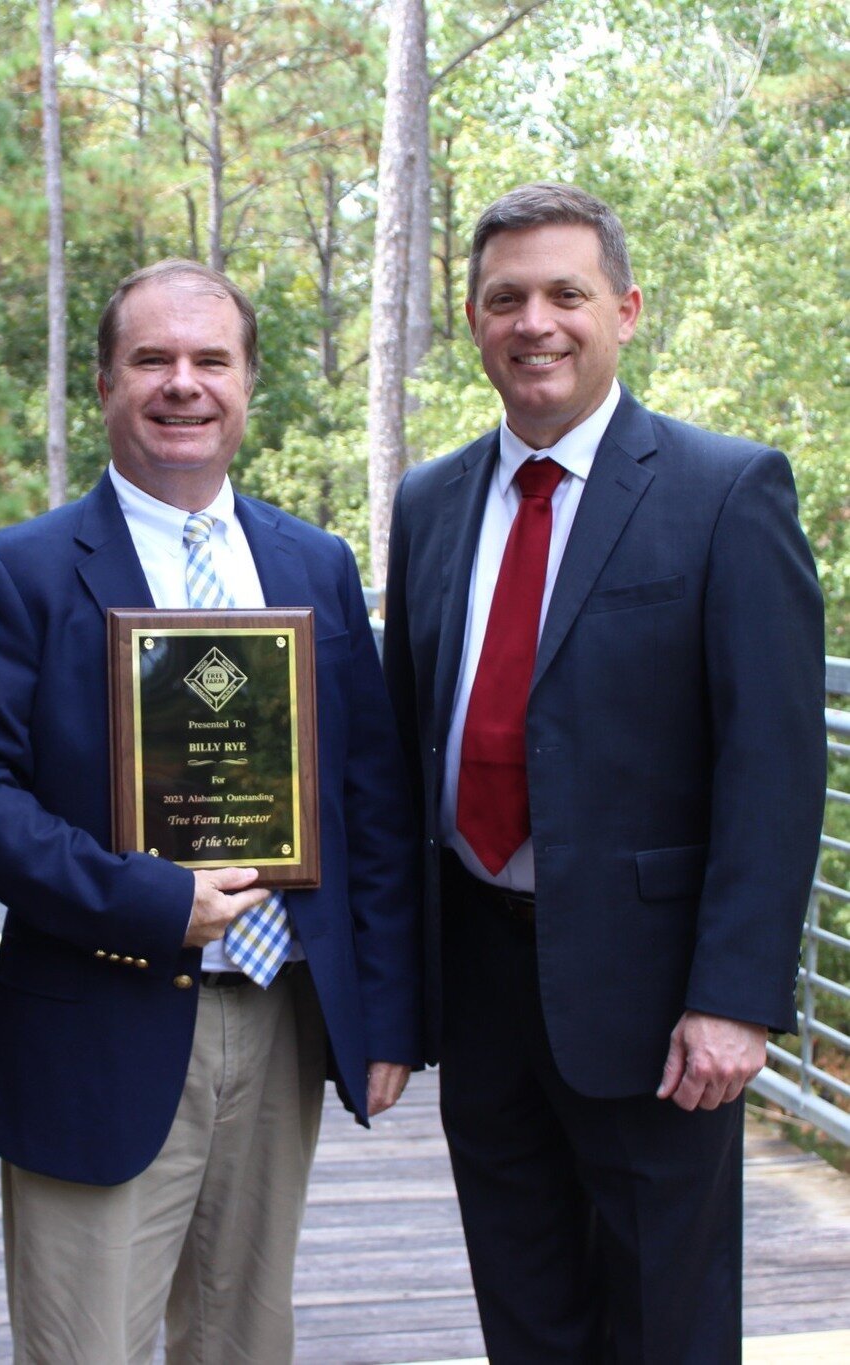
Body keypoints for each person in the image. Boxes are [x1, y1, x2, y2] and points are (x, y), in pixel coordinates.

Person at [0, 259, 421, 1364]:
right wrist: (144, 897)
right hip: (100, 1013)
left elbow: (368, 798)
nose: (181, 384)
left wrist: (385, 1009)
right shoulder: (23, 572)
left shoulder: (315, 565)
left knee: (246, 1337)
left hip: (285, 1015)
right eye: (152, 360)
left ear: (249, 385)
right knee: (83, 1343)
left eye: (211, 361)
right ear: (104, 384)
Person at [382, 181, 825, 1361]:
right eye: (506, 298)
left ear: (624, 310)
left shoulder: (725, 491)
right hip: (475, 979)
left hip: (655, 1001)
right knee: (524, 1311)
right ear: (473, 322)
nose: (537, 322)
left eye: (565, 294)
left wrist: (735, 997)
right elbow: (399, 742)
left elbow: (774, 767)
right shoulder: (429, 506)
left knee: (667, 1322)